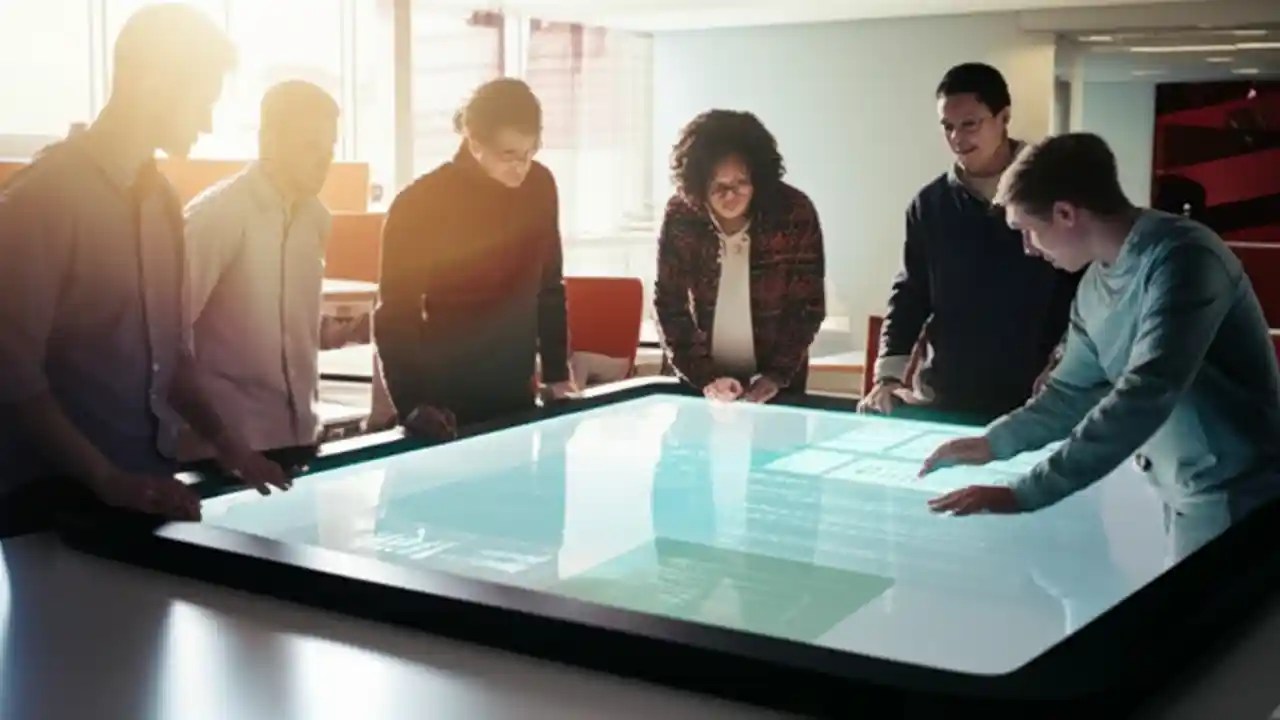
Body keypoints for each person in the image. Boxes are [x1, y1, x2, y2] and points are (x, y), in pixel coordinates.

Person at [0, 3, 290, 537]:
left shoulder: (162, 204)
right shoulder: (40, 200)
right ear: (154, 83)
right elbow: (12, 375)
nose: (206, 121)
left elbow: (170, 359)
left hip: (148, 495)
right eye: (202, 100)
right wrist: (105, 478)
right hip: (49, 509)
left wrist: (230, 447)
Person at [921, 132, 1280, 560]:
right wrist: (993, 443)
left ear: (1066, 213)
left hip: (1239, 496)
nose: (1028, 249)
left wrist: (1025, 493)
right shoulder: (1094, 284)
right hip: (1188, 492)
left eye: (1028, 231)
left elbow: (1146, 392)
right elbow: (1072, 391)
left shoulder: (1185, 259)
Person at [859, 63, 1080, 420]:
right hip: (949, 393)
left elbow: (1083, 290)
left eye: (970, 124)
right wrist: (887, 376)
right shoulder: (929, 205)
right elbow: (912, 292)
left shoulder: (1054, 191)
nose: (957, 139)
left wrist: (1067, 364)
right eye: (947, 127)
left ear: (1004, 117)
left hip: (1038, 394)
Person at [374, 78, 575, 440]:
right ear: (474, 141)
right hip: (443, 401)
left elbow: (550, 287)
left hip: (516, 390)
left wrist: (557, 374)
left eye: (531, 152)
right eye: (509, 155)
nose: (522, 167)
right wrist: (413, 404)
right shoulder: (420, 203)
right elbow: (395, 314)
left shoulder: (540, 186)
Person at [180, 80, 365, 470]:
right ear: (269, 141)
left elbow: (279, 318)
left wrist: (330, 331)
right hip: (226, 448)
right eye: (309, 146)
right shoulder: (216, 215)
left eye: (329, 147)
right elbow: (166, 333)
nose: (324, 161)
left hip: (299, 436)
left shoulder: (315, 218)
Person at [654, 110, 826, 404]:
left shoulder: (794, 213)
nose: (730, 196)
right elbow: (670, 304)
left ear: (758, 178)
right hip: (697, 384)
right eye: (718, 187)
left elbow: (807, 307)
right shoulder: (681, 215)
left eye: (740, 183)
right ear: (697, 186)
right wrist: (706, 377)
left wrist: (775, 376)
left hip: (777, 386)